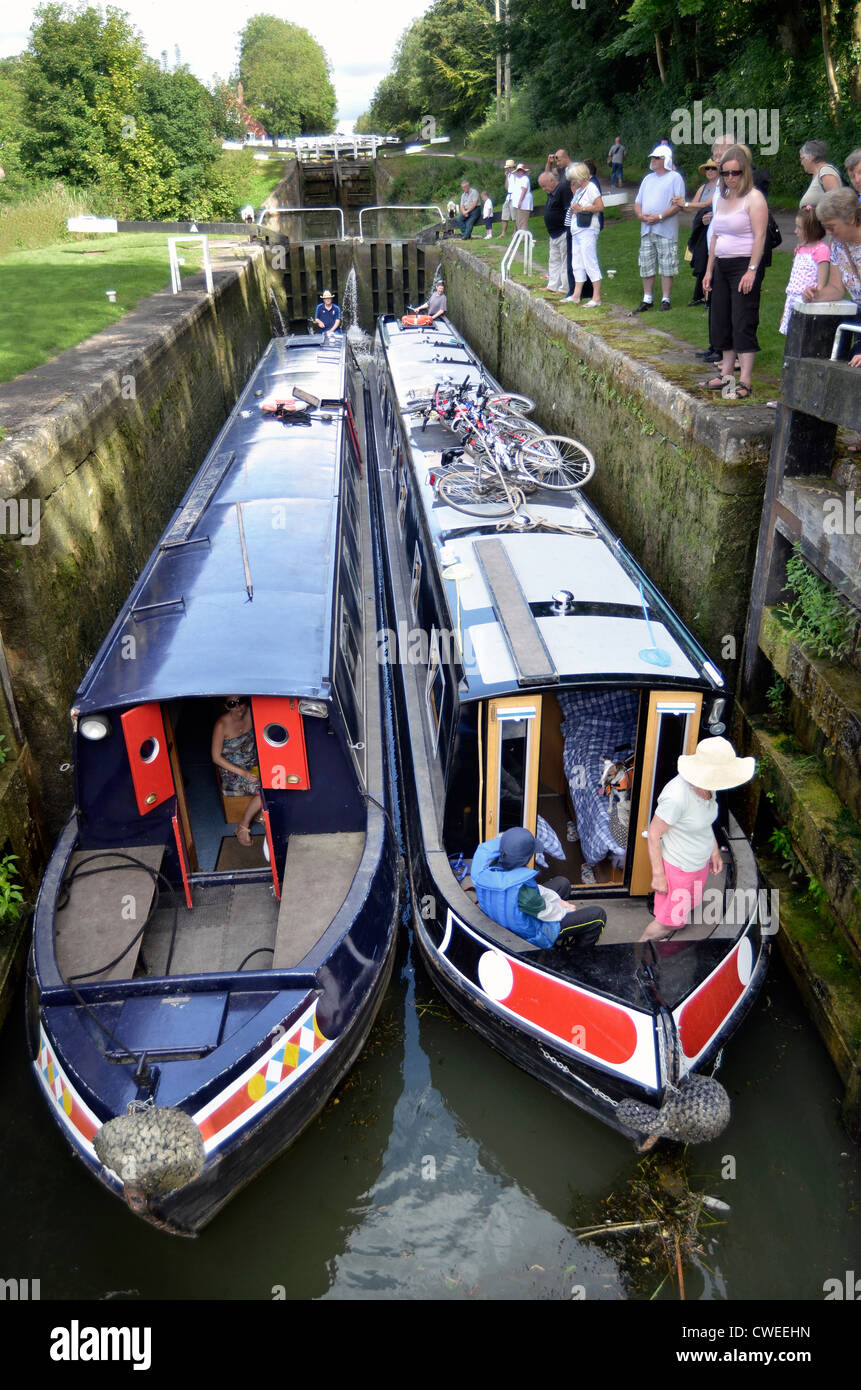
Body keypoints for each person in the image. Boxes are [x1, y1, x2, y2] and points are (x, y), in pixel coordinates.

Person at [639, 737, 755, 942]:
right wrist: (658, 875)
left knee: (684, 909)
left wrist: (714, 851)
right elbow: (654, 834)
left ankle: (672, 928)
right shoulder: (676, 797)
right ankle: (638, 951)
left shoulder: (711, 786)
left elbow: (704, 821)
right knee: (666, 922)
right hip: (679, 868)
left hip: (698, 864)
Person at [698, 143, 768, 399]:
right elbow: (715, 235)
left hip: (743, 265)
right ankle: (726, 376)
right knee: (722, 321)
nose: (729, 178)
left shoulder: (754, 198)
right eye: (725, 173)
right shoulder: (723, 198)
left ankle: (745, 380)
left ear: (744, 172)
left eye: (735, 173)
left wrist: (751, 270)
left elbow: (760, 237)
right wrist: (708, 271)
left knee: (742, 321)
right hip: (722, 265)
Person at [471, 827, 606, 950]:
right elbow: (546, 912)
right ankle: (575, 958)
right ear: (526, 859)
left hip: (504, 918)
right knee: (598, 916)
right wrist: (564, 909)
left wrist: (556, 900)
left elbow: (522, 890)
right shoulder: (526, 894)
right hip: (534, 933)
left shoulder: (485, 871)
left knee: (562, 883)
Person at [802, 188, 861, 367]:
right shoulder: (838, 245)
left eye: (831, 227)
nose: (828, 232)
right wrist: (816, 295)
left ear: (850, 218)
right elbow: (836, 287)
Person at [632, 145, 685, 312]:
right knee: (646, 263)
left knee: (667, 264)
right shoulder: (648, 179)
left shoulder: (675, 178)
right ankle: (647, 298)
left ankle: (665, 299)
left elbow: (679, 204)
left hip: (665, 229)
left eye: (657, 158)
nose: (653, 161)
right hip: (647, 229)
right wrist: (641, 215)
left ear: (665, 160)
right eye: (653, 158)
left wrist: (660, 216)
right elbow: (638, 202)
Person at [212, 697, 262, 847]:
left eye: (241, 701)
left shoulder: (251, 713)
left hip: (253, 762)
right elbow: (215, 757)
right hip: (233, 770)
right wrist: (243, 773)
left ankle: (261, 816)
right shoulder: (222, 724)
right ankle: (243, 827)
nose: (238, 706)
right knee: (263, 790)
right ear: (226, 706)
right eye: (232, 704)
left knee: (277, 779)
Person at [779, 206, 830, 335]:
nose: (796, 231)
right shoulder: (801, 249)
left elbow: (821, 284)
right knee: (792, 338)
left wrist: (816, 296)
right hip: (792, 299)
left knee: (804, 337)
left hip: (807, 301)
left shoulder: (821, 250)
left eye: (799, 228)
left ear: (811, 229)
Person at [678, 159, 720, 305]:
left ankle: (710, 297)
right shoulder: (703, 187)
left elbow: (706, 204)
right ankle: (700, 295)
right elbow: (691, 208)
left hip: (712, 225)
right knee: (701, 259)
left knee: (711, 259)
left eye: (713, 169)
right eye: (707, 168)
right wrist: (680, 204)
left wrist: (686, 203)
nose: (709, 171)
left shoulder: (720, 186)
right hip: (701, 227)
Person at [562, 162, 604, 305]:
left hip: (587, 229)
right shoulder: (580, 190)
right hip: (577, 229)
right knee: (577, 262)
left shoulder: (591, 188)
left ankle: (596, 297)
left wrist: (582, 209)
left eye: (574, 178)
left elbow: (600, 206)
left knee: (589, 261)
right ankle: (576, 294)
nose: (573, 181)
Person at [539, 170, 569, 292]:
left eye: (544, 186)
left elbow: (568, 209)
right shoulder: (551, 192)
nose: (543, 189)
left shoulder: (562, 189)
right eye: (541, 187)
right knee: (554, 260)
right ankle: (552, 286)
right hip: (553, 233)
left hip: (563, 231)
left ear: (552, 181)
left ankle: (564, 288)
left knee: (565, 261)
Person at [798, 140, 842, 212]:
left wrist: (809, 209)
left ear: (811, 157)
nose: (801, 163)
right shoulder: (819, 174)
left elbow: (837, 203)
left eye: (802, 158)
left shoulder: (826, 172)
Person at [512, 163, 533, 231]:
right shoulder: (520, 179)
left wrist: (520, 201)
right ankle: (522, 237)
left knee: (523, 221)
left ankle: (524, 237)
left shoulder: (525, 179)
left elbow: (524, 190)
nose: (519, 172)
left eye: (521, 170)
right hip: (521, 203)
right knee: (519, 221)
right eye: (518, 170)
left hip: (524, 203)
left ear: (524, 171)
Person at [500, 159, 516, 237]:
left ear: (511, 167)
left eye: (507, 167)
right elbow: (506, 187)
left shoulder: (516, 174)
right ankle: (503, 233)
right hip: (508, 197)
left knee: (514, 216)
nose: (506, 169)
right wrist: (506, 176)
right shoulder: (509, 175)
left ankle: (515, 232)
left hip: (514, 196)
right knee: (504, 215)